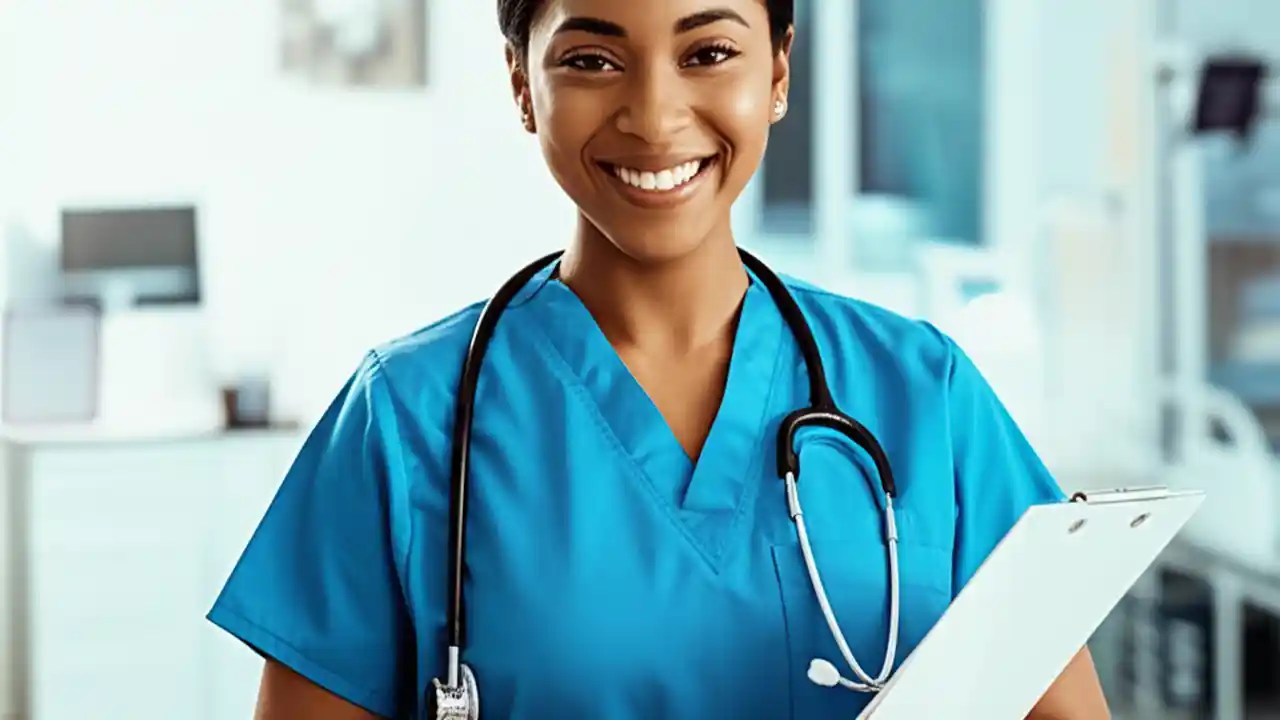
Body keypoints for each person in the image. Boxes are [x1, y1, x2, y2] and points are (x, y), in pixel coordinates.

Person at [207, 0, 1113, 717]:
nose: (653, 116)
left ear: (781, 69)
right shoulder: (405, 419)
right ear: (523, 84)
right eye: (592, 60)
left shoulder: (925, 393)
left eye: (708, 52)